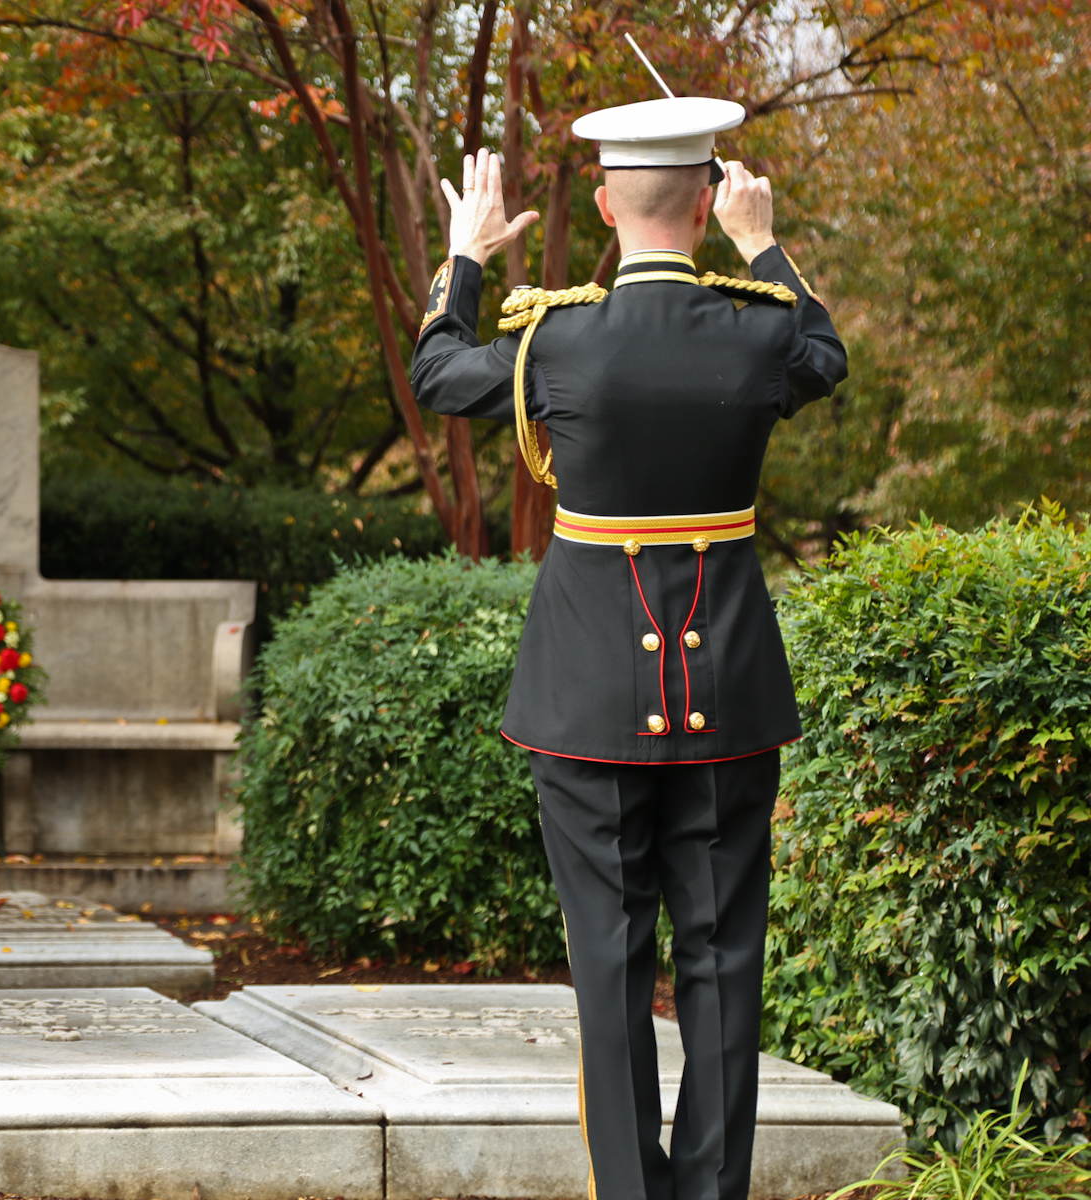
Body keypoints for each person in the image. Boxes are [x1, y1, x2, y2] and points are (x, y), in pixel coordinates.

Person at [408, 97, 847, 1200]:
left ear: (604, 207)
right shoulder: (759, 327)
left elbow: (438, 376)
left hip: (589, 700)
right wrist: (766, 243)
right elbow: (824, 354)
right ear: (708, 201)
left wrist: (466, 258)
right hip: (731, 697)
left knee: (609, 970)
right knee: (723, 968)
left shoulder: (555, 337)